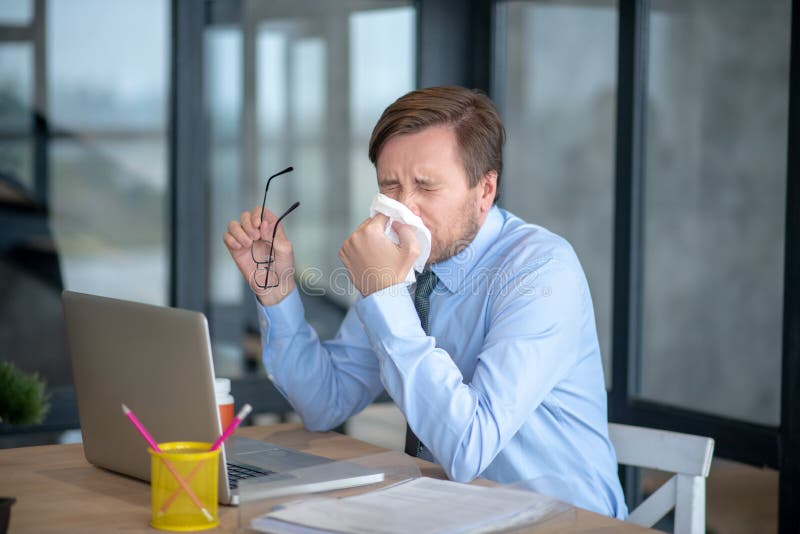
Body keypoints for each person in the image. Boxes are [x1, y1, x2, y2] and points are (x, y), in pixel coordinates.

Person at [223, 86, 627, 519]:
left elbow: (468, 446)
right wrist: (278, 291)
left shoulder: (542, 271)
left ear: (485, 190)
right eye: (389, 186)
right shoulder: (402, 263)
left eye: (426, 187)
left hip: (566, 520)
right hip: (452, 514)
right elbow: (325, 402)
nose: (403, 210)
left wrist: (384, 294)